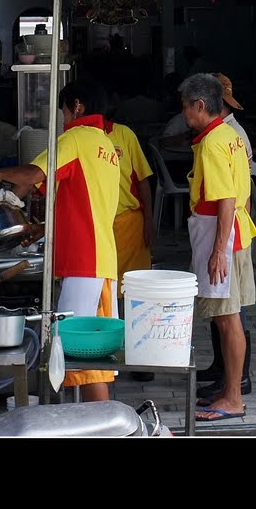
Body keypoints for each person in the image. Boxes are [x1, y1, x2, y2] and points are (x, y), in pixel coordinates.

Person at [0, 78, 122, 402]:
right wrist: (42, 229)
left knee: (76, 356)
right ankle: (102, 425)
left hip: (85, 263)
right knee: (91, 360)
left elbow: (32, 175)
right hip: (100, 259)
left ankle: (89, 424)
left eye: (63, 111)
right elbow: (85, 204)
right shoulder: (104, 145)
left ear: (77, 106)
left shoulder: (76, 138)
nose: (64, 118)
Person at [177, 71, 256, 422]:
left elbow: (225, 198)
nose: (183, 114)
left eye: (185, 107)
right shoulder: (230, 135)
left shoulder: (212, 143)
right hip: (236, 230)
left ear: (199, 105)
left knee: (227, 319)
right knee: (231, 317)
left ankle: (234, 397)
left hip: (221, 233)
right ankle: (230, 391)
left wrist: (217, 251)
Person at [103, 101, 156, 380]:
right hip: (99, 225)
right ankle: (107, 356)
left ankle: (141, 359)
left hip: (130, 222)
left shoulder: (124, 135)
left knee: (137, 294)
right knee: (105, 292)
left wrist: (148, 220)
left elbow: (144, 180)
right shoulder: (77, 138)